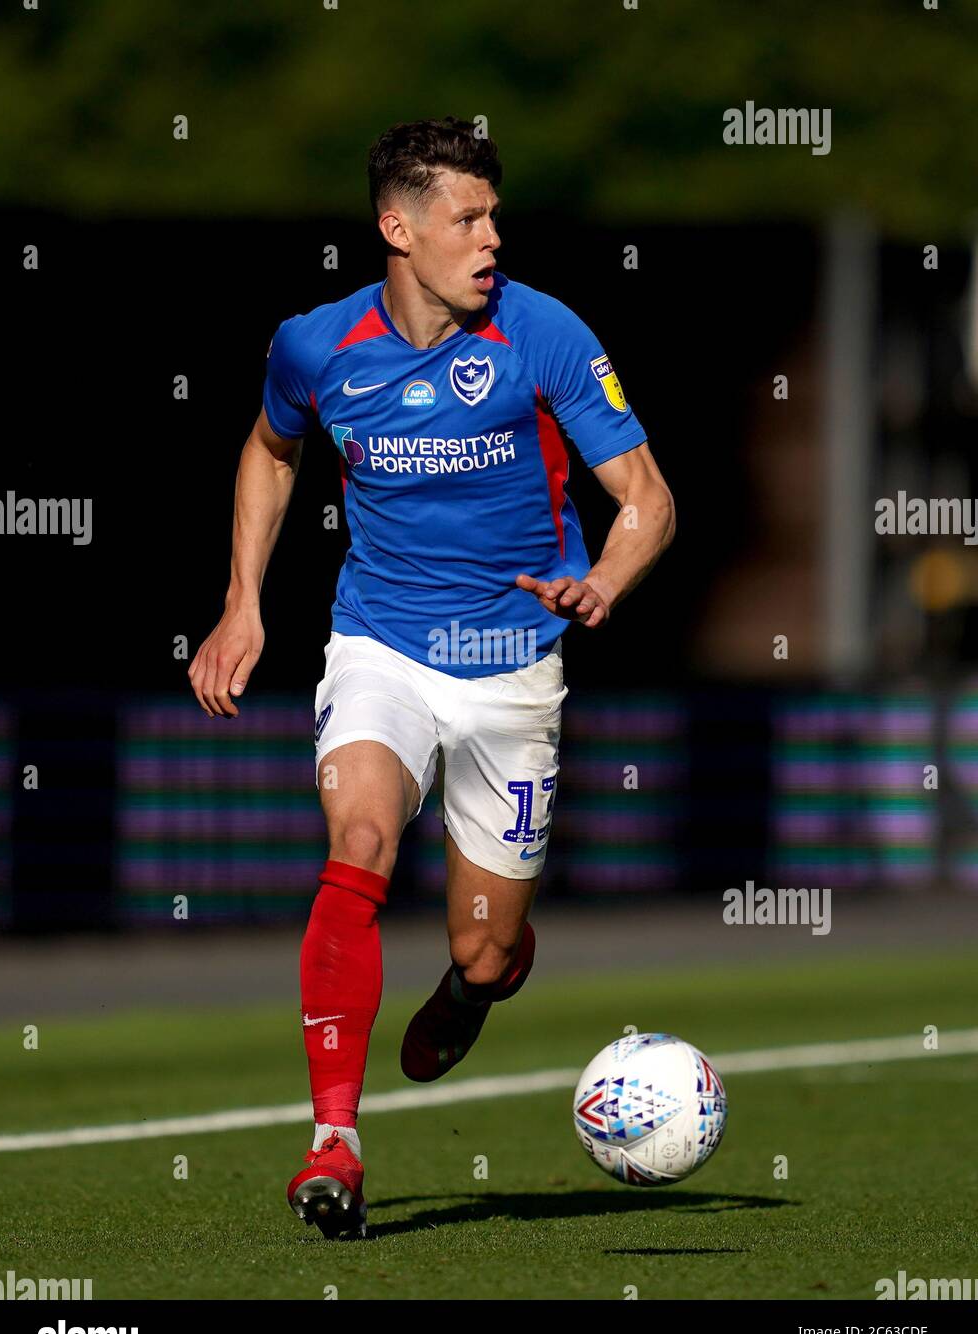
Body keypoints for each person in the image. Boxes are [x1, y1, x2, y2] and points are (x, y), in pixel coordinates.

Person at [188, 116, 675, 1238]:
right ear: (396, 227)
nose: (492, 236)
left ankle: (474, 986)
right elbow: (270, 450)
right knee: (356, 839)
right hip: (382, 646)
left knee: (486, 946)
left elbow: (648, 496)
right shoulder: (316, 345)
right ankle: (334, 1143)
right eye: (468, 216)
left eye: (495, 214)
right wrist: (242, 598)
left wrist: (603, 580)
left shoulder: (542, 332)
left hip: (511, 672)